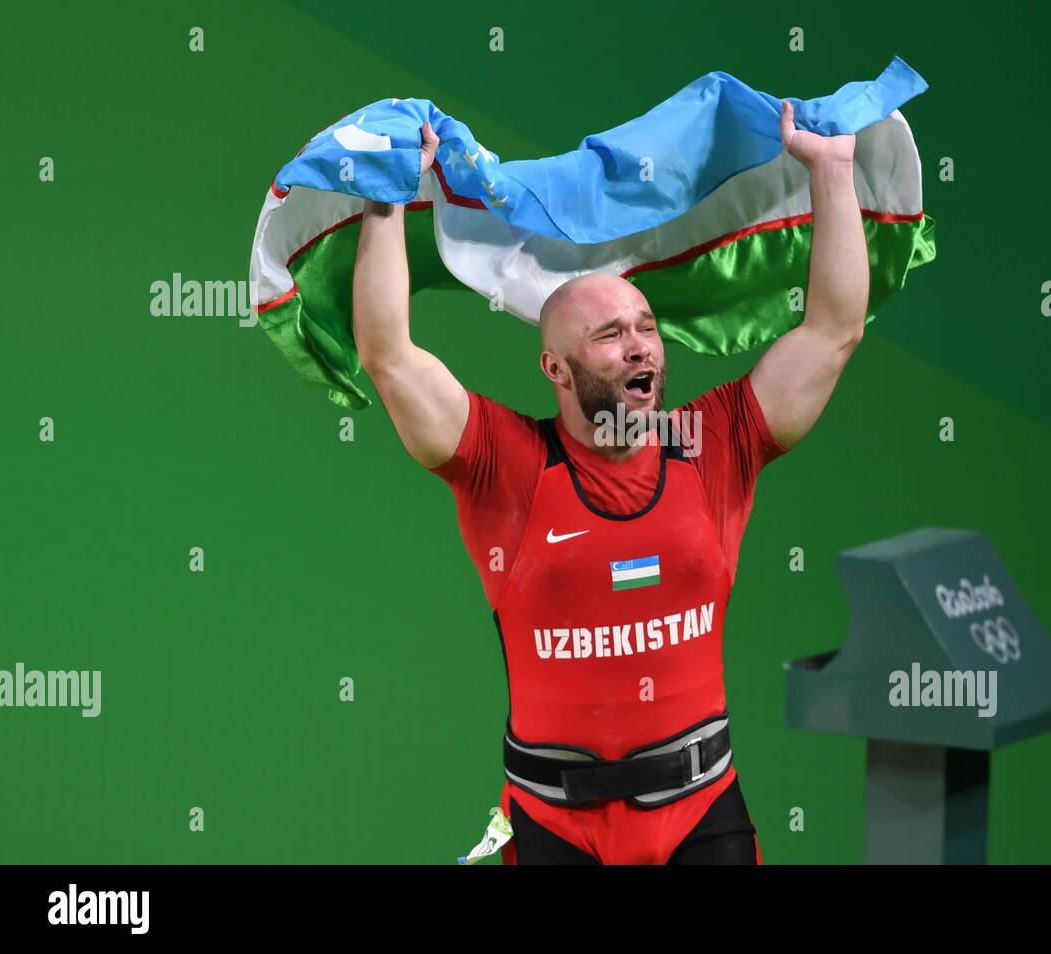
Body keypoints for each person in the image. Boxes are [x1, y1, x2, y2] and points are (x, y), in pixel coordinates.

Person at [352, 101, 870, 864]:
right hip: (555, 826)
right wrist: (387, 201)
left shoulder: (714, 445)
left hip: (703, 817)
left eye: (645, 328)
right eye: (609, 335)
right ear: (555, 369)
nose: (639, 348)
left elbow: (833, 330)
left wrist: (831, 169)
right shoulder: (505, 465)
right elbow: (389, 355)